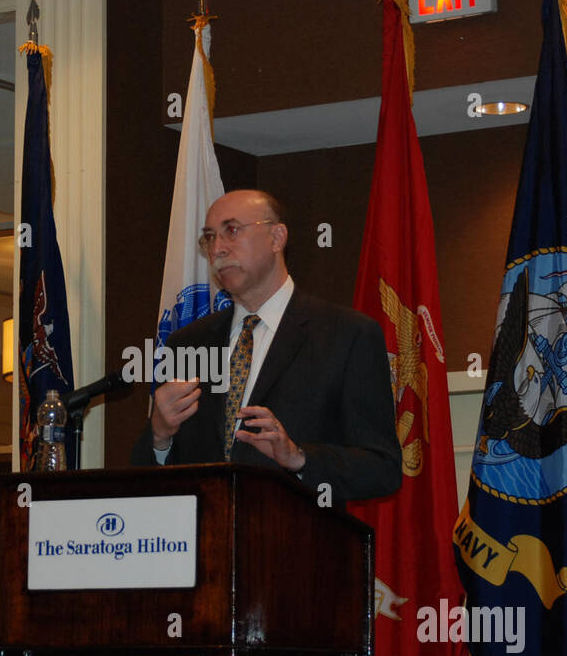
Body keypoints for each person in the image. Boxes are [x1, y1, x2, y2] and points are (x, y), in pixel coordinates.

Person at [132, 189, 401, 502]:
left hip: (300, 542)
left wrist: (298, 457)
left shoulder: (346, 335)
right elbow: (151, 479)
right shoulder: (187, 344)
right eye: (209, 237)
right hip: (204, 542)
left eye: (231, 231)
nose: (217, 249)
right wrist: (160, 435)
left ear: (277, 237)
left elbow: (382, 469)